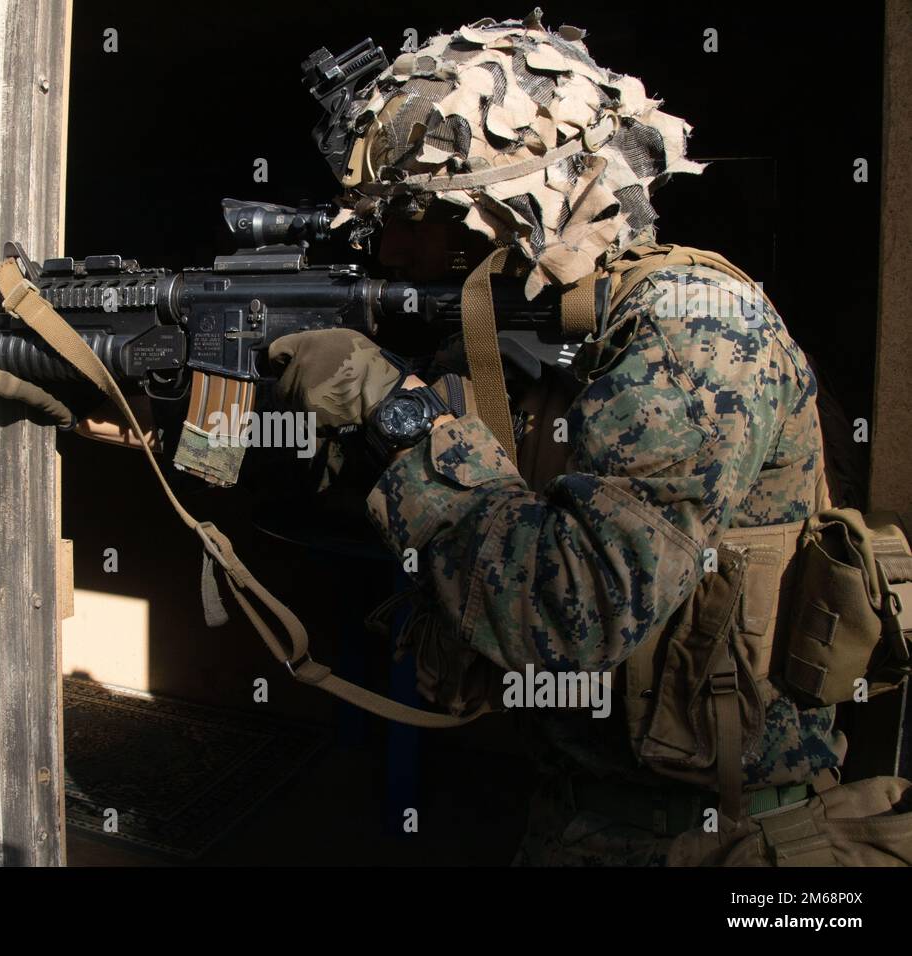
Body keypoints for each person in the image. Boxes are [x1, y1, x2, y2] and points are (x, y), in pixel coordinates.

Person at [266, 11, 843, 865]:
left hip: (724, 838)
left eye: (417, 211)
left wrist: (394, 407)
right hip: (576, 813)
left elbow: (571, 606)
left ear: (517, 201)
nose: (389, 243)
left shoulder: (700, 329)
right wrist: (150, 411)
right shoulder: (520, 337)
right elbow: (415, 500)